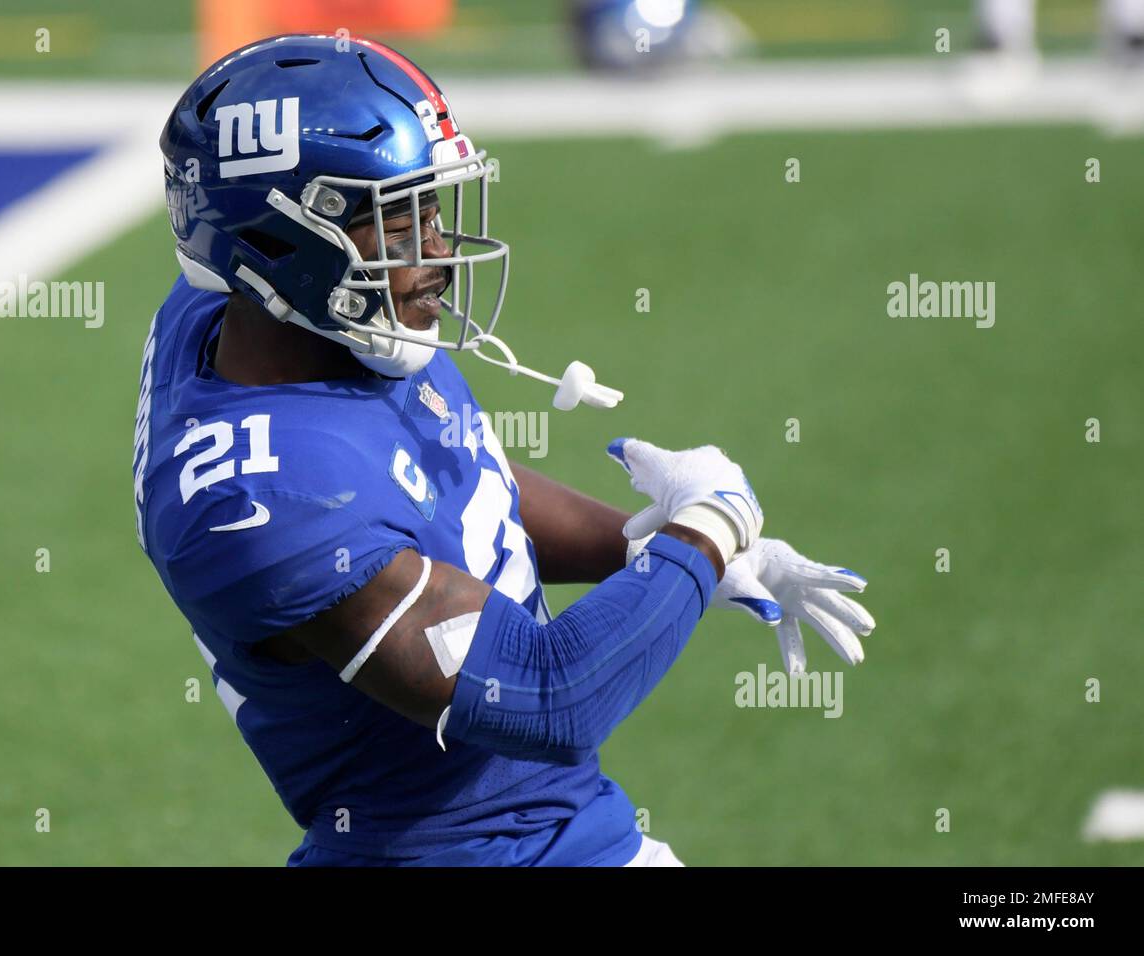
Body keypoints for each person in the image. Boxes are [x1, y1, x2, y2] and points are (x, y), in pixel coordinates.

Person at [133, 33, 875, 866]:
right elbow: (550, 697)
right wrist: (704, 531)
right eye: (399, 219)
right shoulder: (263, 501)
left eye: (434, 209)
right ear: (279, 243)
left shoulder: (268, 321)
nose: (440, 251)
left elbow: (452, 473)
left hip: (556, 832)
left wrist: (640, 546)